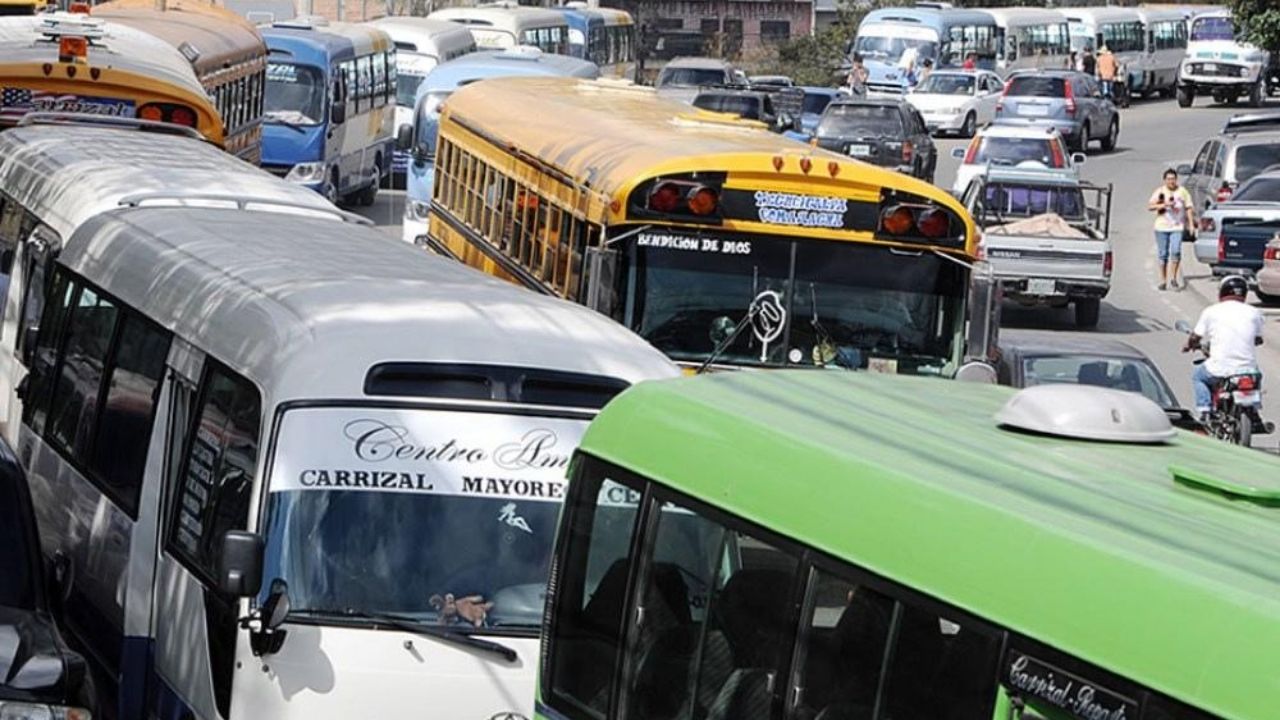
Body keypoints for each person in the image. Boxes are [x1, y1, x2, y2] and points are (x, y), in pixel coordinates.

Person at [1183, 276, 1264, 418]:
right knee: (1256, 377)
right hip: (1248, 369)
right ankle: (1254, 410)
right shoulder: (1254, 312)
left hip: (1220, 368)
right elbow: (1258, 338)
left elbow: (1196, 336)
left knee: (1198, 376)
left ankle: (1205, 411)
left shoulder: (1211, 311)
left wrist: (1189, 345)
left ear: (1222, 291)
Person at [1148, 168, 1195, 290]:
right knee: (1163, 254)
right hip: (1161, 227)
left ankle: (1173, 278)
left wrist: (1191, 224)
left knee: (1176, 251)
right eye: (1168, 179)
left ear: (1176, 179)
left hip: (1177, 227)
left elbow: (1189, 207)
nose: (1171, 181)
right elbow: (1150, 206)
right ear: (1164, 180)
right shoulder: (1160, 191)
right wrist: (1164, 205)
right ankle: (1163, 280)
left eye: (1173, 179)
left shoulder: (1182, 191)